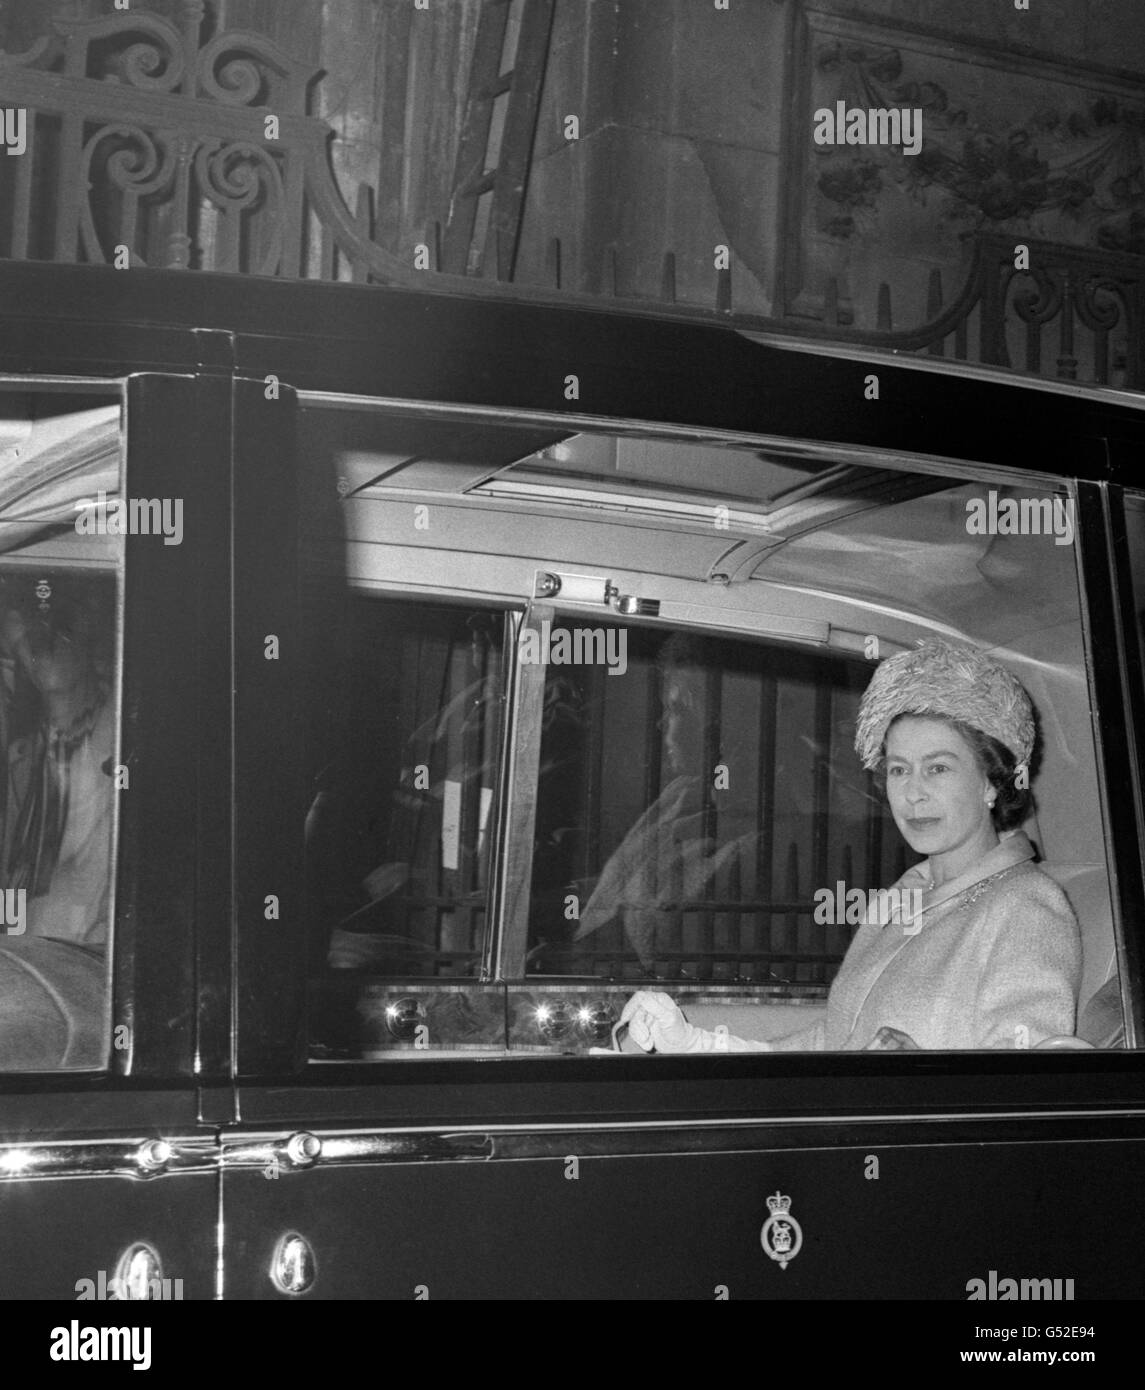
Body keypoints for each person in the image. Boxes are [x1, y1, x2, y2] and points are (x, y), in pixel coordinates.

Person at [619, 638, 1082, 1052]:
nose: (913, 792)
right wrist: (694, 1043)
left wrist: (922, 1078)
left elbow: (1028, 1094)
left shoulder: (1026, 906)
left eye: (938, 768)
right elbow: (831, 1045)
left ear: (990, 783)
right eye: (900, 769)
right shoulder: (897, 904)